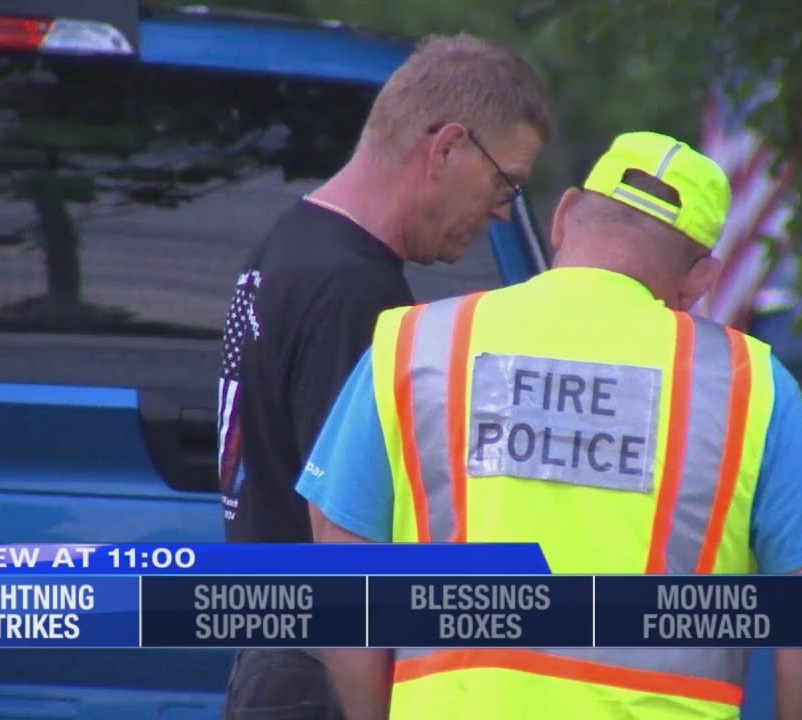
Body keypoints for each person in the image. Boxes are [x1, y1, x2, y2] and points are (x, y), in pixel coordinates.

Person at [294, 131, 802, 720]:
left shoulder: (414, 345)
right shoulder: (750, 385)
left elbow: (342, 550)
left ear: (562, 217)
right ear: (700, 279)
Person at [215, 33, 554, 720]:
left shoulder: (290, 246)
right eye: (504, 184)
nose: (499, 211)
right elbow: (351, 534)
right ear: (447, 147)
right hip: (324, 670)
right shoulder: (353, 293)